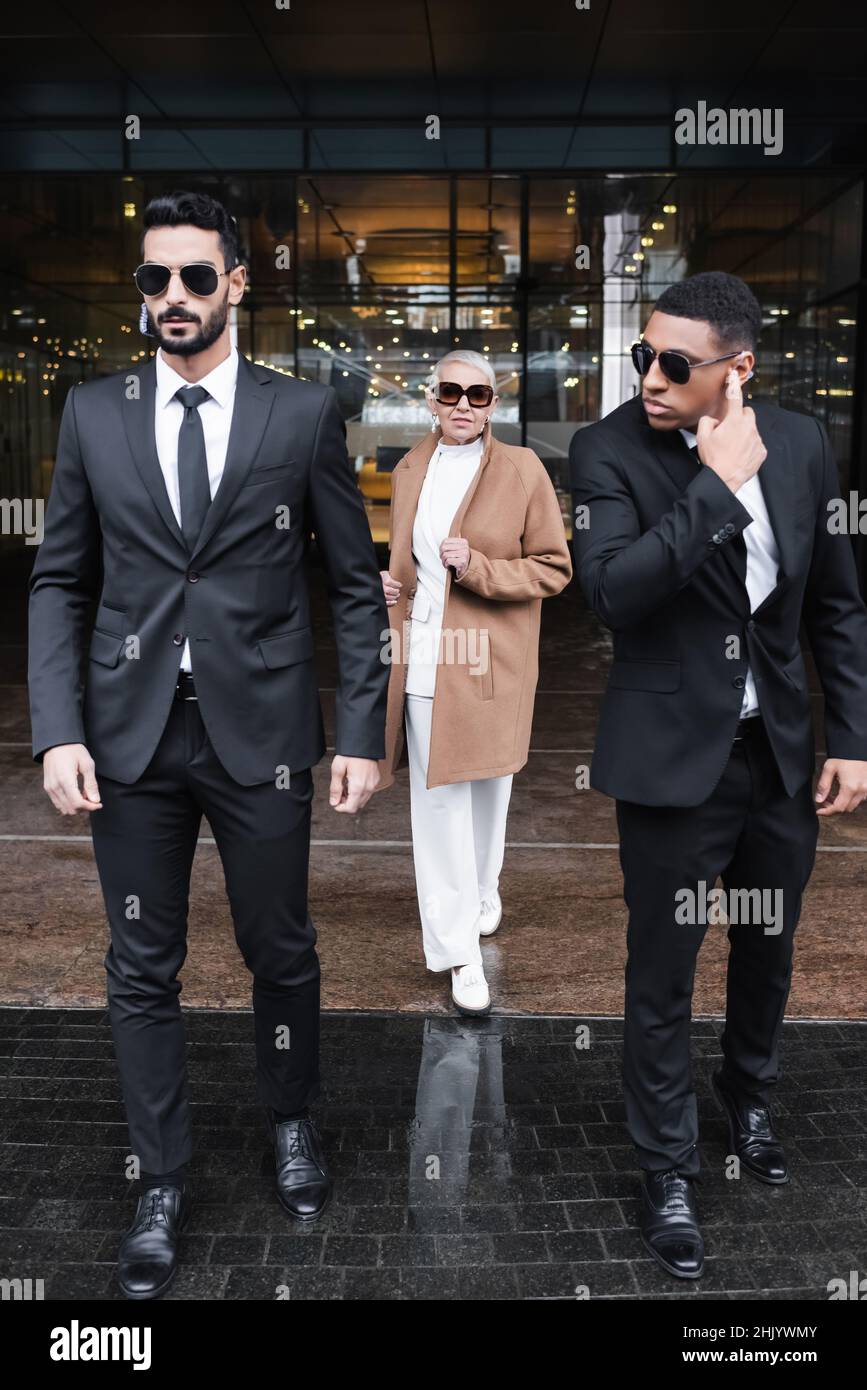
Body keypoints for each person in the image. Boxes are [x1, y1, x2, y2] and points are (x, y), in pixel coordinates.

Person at [27, 189, 389, 1299]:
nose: (172, 297)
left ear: (238, 283)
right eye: (153, 279)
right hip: (130, 739)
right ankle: (162, 1175)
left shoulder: (301, 413)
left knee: (280, 949)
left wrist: (362, 732)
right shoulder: (93, 411)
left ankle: (290, 1123)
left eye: (194, 277)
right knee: (142, 966)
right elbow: (59, 580)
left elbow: (354, 588)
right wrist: (56, 731)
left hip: (265, 733)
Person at [570, 270, 867, 1280]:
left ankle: (749, 1100)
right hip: (670, 762)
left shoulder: (806, 443)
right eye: (642, 356)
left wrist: (853, 738)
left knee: (767, 947)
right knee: (663, 972)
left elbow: (835, 604)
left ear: (740, 368)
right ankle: (666, 1169)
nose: (650, 376)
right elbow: (612, 593)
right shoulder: (608, 450)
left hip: (777, 754)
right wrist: (715, 482)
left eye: (676, 363)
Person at [376, 350, 572, 1014]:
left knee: (489, 788)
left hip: (492, 661)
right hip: (428, 654)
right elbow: (407, 562)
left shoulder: (521, 469)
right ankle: (458, 953)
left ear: (494, 403)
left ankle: (485, 891)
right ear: (429, 399)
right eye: (451, 392)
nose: (464, 404)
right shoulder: (409, 468)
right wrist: (390, 588)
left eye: (479, 394)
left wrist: (481, 568)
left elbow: (553, 568)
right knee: (438, 808)